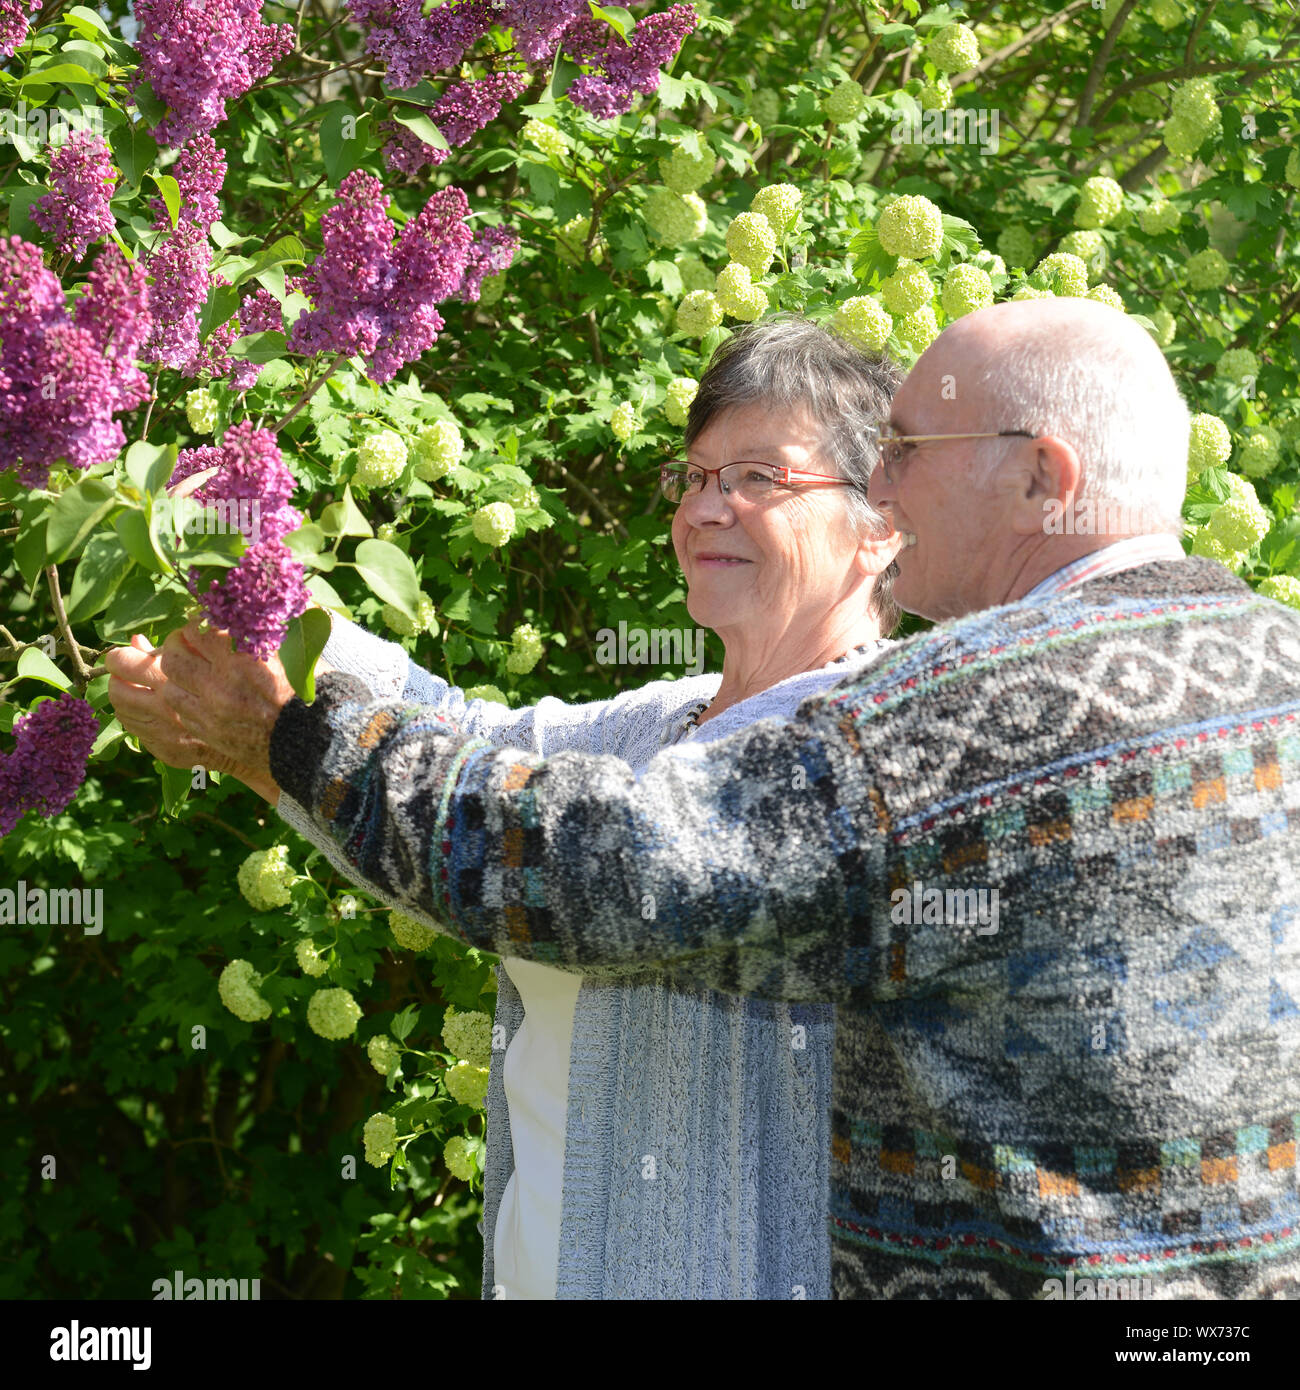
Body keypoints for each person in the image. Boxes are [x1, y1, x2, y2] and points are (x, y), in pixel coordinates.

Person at [120, 296, 1300, 1299]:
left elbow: (619, 876)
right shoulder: (1274, 663)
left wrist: (289, 738)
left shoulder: (967, 702)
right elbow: (479, 748)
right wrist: (255, 581)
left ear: (1042, 475)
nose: (888, 486)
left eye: (905, 456)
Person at [106, 315, 905, 1299]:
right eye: (695, 476)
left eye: (760, 478)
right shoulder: (654, 723)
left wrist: (281, 744)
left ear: (881, 525)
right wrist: (254, 578)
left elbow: (558, 857)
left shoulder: (865, 745)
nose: (708, 507)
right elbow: (457, 745)